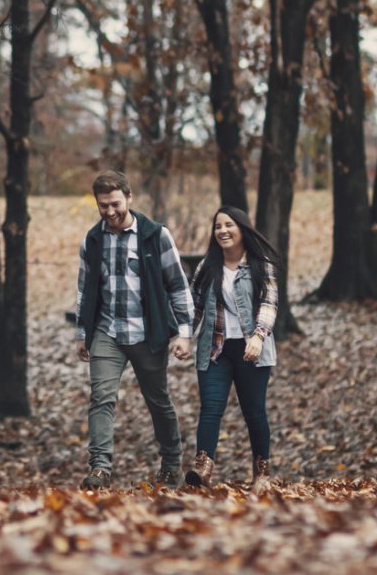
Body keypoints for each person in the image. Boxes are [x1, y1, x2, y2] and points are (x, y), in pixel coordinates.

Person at [72, 170, 195, 489]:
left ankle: (170, 464)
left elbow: (178, 286)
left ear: (129, 198)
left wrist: (183, 331)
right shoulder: (93, 239)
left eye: (115, 204)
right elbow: (85, 288)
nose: (110, 212)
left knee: (158, 400)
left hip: (147, 333)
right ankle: (99, 468)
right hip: (107, 332)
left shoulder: (156, 236)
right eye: (103, 206)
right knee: (101, 397)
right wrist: (82, 333)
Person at [183, 205, 280, 490]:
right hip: (216, 348)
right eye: (218, 227)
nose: (223, 231)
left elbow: (269, 303)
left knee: (254, 412)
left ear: (242, 228)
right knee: (210, 408)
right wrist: (184, 336)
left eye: (229, 225)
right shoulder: (207, 266)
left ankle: (262, 472)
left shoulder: (262, 265)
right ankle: (202, 468)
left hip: (252, 350)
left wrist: (259, 336)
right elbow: (195, 307)